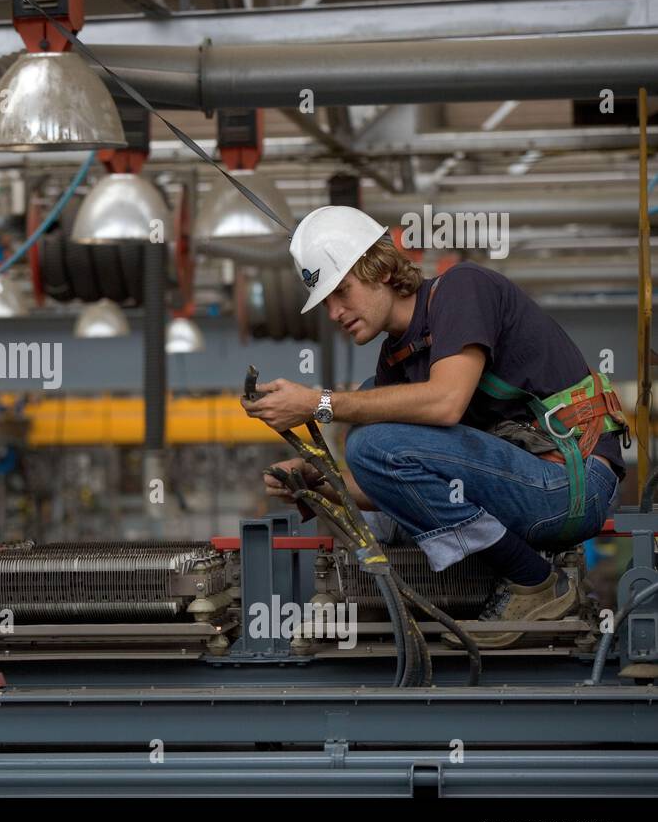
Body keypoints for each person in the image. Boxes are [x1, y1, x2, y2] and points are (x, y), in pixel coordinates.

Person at [242, 205, 626, 648]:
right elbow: (386, 484)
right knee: (371, 424)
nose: (334, 312)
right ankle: (398, 594)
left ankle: (536, 583)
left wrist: (318, 403)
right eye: (326, 301)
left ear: (379, 268)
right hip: (525, 483)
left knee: (370, 431)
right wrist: (318, 481)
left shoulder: (462, 290)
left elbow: (446, 402)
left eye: (341, 292)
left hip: (572, 485)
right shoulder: (396, 358)